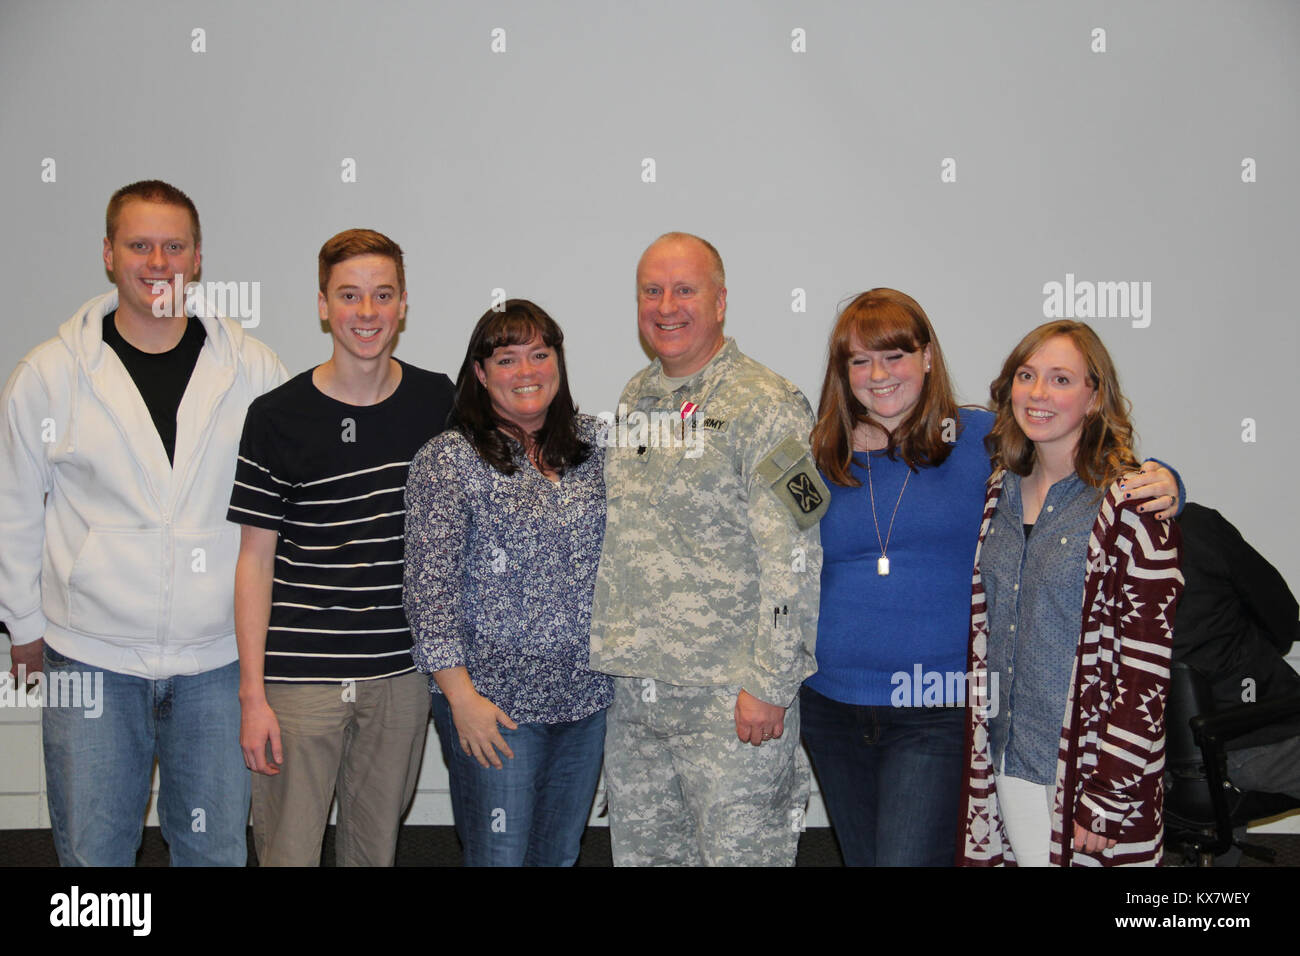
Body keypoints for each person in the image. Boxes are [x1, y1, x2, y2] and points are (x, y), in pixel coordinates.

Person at [805, 290, 1181, 866]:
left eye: (894, 356)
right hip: (831, 705)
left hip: (937, 707)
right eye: (859, 360)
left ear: (927, 358)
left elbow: (1085, 464)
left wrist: (1169, 481)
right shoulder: (819, 457)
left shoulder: (983, 445)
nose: (878, 375)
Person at [0, 180, 286, 865]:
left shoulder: (252, 370)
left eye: (174, 246)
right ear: (108, 253)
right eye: (139, 245)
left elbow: (279, 512)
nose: (157, 261)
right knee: (95, 854)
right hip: (91, 657)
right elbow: (14, 504)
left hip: (218, 661)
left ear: (197, 257)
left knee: (214, 851)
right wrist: (25, 625)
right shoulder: (50, 373)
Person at [590, 232, 829, 866]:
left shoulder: (768, 404)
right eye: (652, 290)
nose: (666, 305)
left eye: (685, 289)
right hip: (638, 698)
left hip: (730, 700)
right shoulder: (635, 397)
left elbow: (795, 557)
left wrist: (772, 683)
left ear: (720, 301)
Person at [229, 228, 454, 866]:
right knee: (288, 855)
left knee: (372, 854)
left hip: (400, 678)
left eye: (382, 295)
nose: (366, 312)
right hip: (299, 681)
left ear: (403, 303)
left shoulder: (438, 401)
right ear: (323, 305)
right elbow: (254, 560)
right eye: (349, 295)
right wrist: (252, 695)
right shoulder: (276, 415)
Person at [959, 320, 1184, 866]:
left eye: (1061, 379)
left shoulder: (1132, 505)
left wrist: (1110, 794)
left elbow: (1145, 668)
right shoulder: (999, 492)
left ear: (1095, 396)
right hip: (1004, 755)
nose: (1037, 393)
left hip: (1087, 772)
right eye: (1027, 375)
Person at [404, 299, 611, 866]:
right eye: (507, 359)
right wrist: (461, 698)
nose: (527, 372)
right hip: (493, 706)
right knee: (499, 855)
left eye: (540, 355)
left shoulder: (596, 448)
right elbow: (429, 593)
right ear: (479, 373)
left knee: (559, 854)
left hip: (585, 700)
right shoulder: (449, 460)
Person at [1174, 502, 1300, 799]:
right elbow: (1281, 614)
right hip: (1259, 738)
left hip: (1158, 765)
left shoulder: (1079, 550)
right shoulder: (1196, 525)